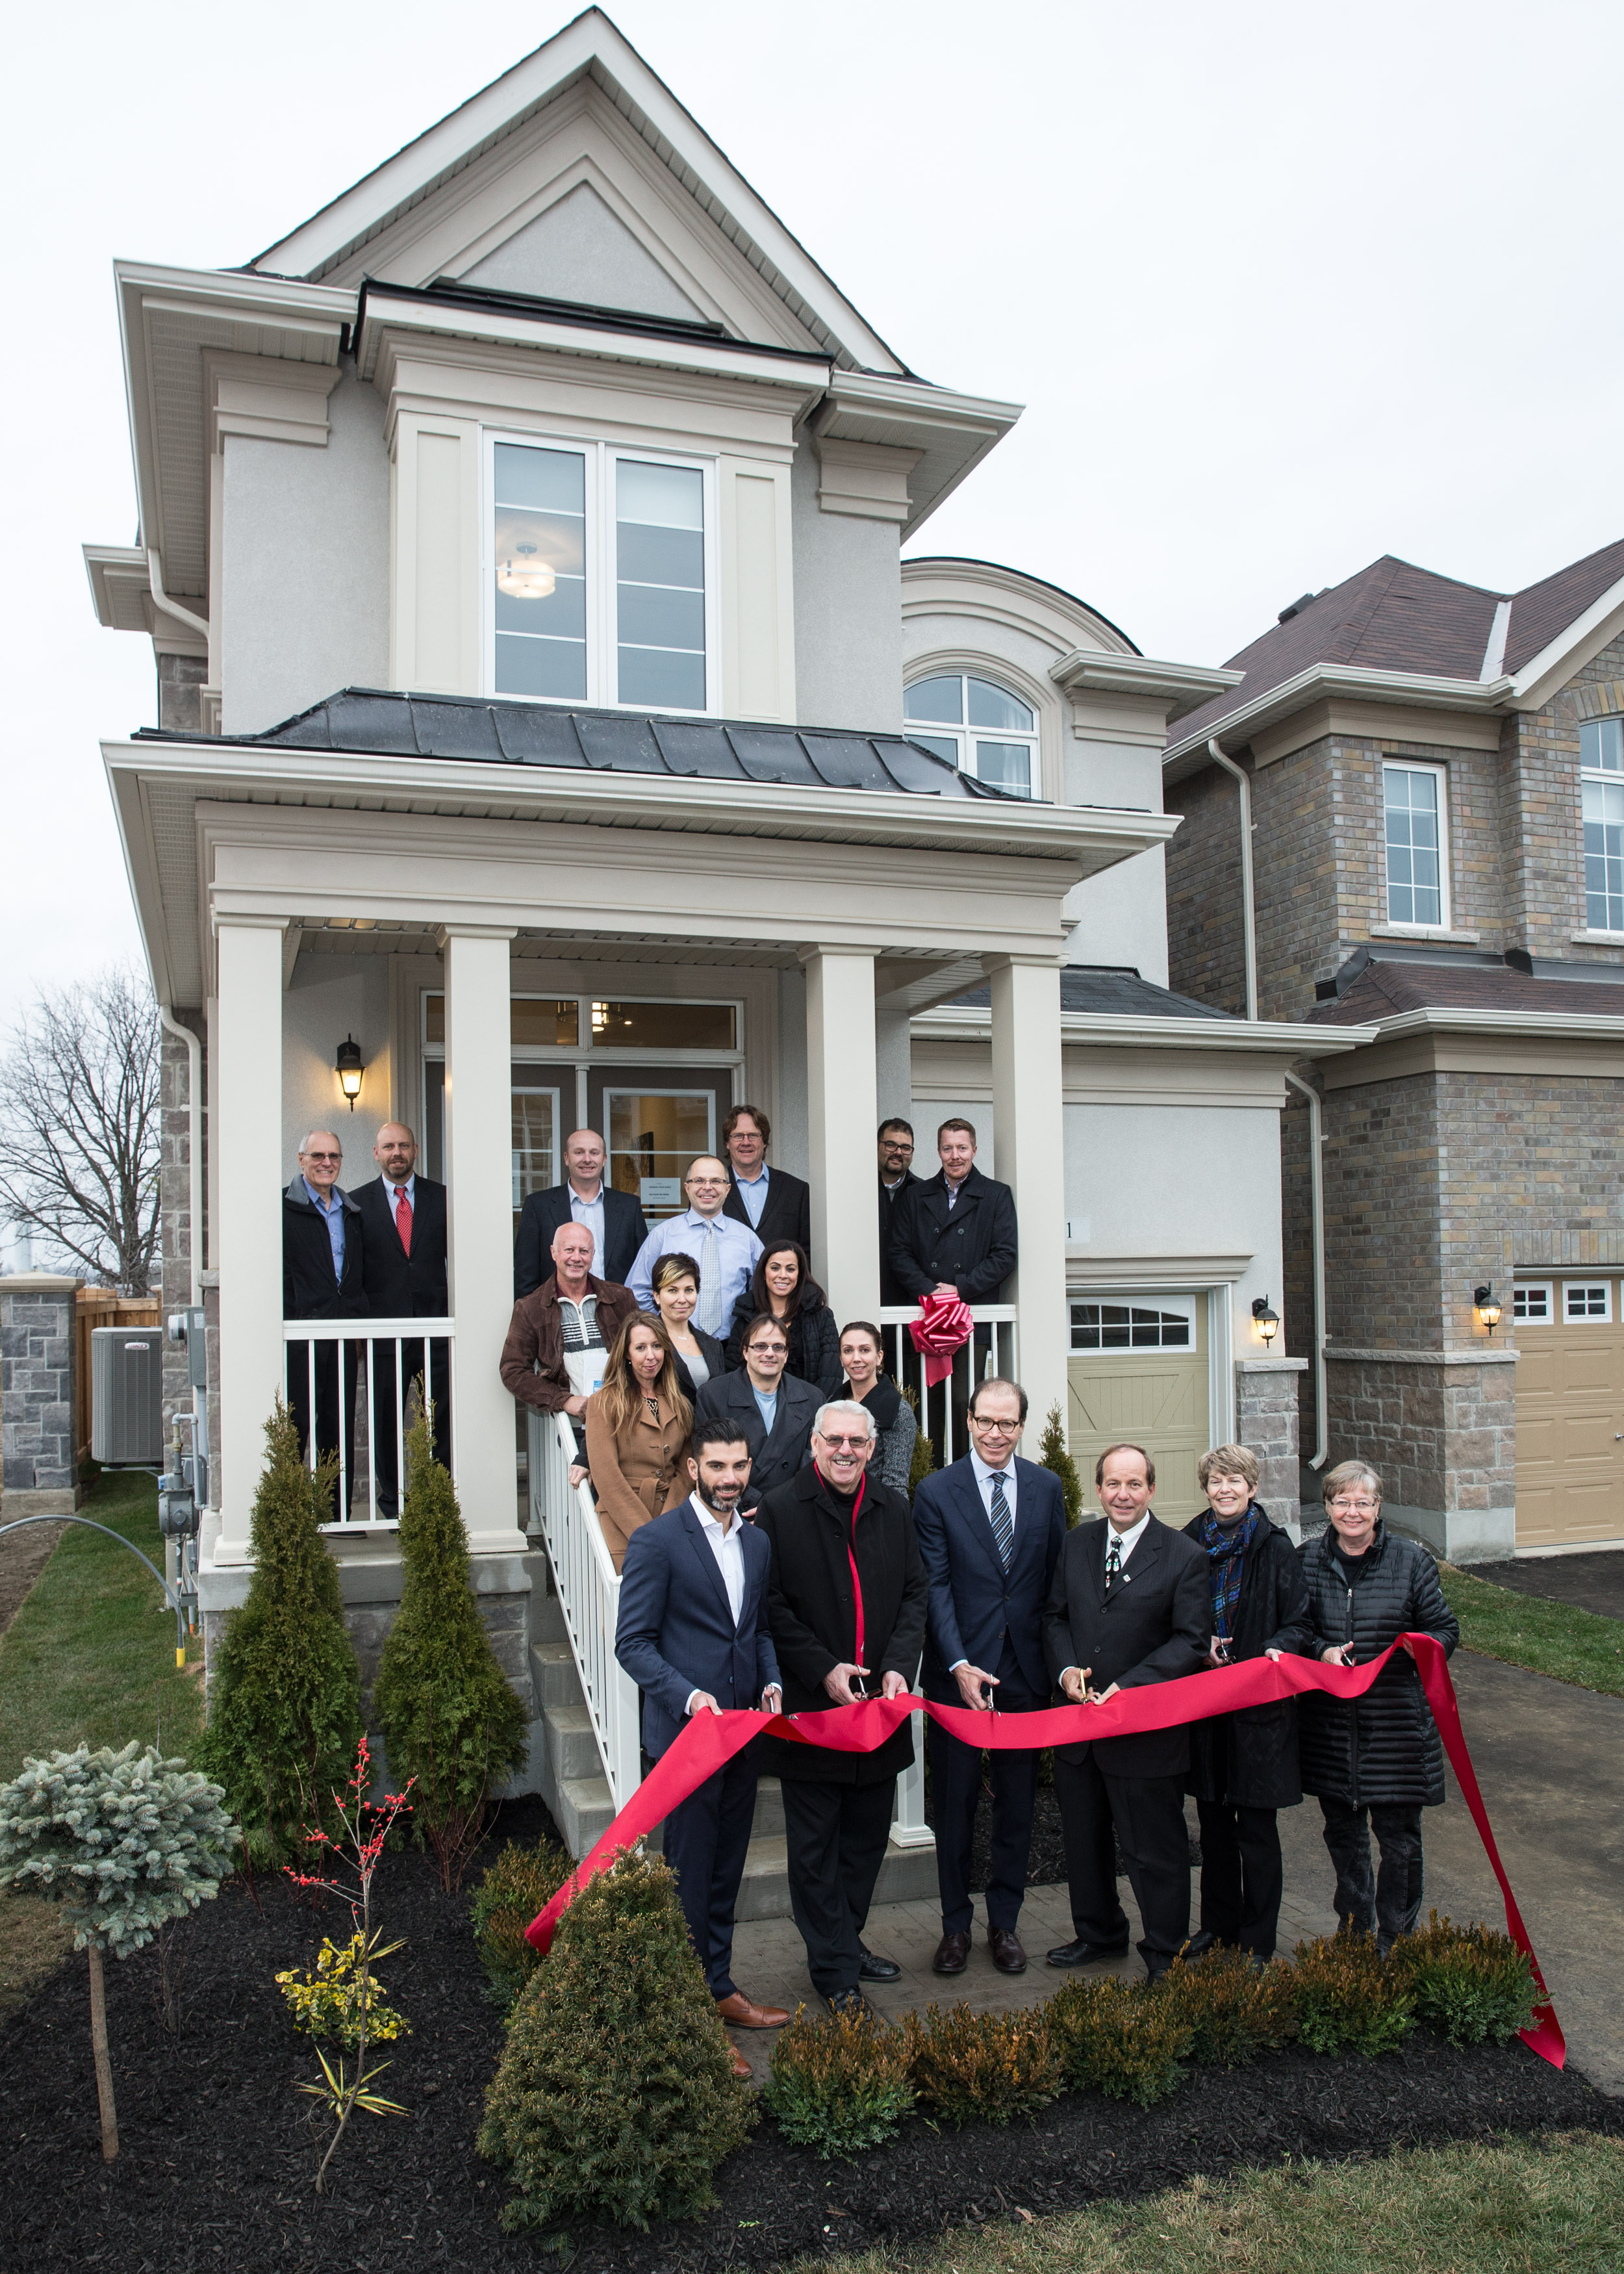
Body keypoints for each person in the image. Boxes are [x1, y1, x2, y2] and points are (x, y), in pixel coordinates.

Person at [616, 1420, 788, 2077]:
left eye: (738, 1465)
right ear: (693, 1468)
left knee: (725, 1873)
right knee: (686, 1879)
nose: (729, 1478)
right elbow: (632, 1643)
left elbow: (757, 1628)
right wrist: (688, 1697)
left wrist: (769, 1676)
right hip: (687, 1742)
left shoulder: (758, 1541)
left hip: (742, 1738)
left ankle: (720, 1988)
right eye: (716, 1465)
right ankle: (689, 2015)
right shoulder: (657, 1541)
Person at [755, 1399, 928, 2013]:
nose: (846, 1451)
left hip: (878, 1714)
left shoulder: (893, 1509)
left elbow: (914, 1595)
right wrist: (823, 1669)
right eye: (835, 1441)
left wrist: (898, 1668)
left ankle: (846, 1943)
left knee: (865, 1843)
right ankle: (832, 1970)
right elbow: (770, 1607)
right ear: (815, 1444)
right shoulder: (779, 1509)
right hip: (813, 1715)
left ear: (873, 1448)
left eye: (857, 1441)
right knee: (814, 1850)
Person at [912, 1377, 1066, 1978]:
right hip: (959, 1678)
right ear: (970, 1421)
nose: (996, 1433)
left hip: (1025, 1676)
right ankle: (954, 1927)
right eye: (986, 1421)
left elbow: (1052, 1583)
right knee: (955, 1807)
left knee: (1018, 1807)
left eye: (1008, 1423)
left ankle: (1005, 1923)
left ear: (1022, 1425)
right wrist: (956, 1663)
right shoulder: (936, 1492)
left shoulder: (1046, 1487)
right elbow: (935, 1587)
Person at [1043, 1441, 1210, 1982]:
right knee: (1084, 1841)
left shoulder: (1183, 1555)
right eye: (1113, 1483)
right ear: (1098, 1489)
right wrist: (1067, 1671)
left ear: (1152, 1489)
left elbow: (1190, 1641)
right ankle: (1098, 1933)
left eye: (1134, 1484)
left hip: (1144, 1734)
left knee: (1153, 1852)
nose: (1123, 1494)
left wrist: (1127, 1687)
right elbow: (1056, 1618)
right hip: (1078, 1730)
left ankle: (1165, 1953)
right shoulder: (1077, 1544)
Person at [1299, 1459, 1460, 1953]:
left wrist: (1418, 1646)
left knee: (1400, 1844)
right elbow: (1294, 1632)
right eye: (1342, 1501)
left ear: (1378, 1508)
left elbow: (1445, 1631)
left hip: (1396, 1730)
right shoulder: (1304, 1561)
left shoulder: (1412, 1561)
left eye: (1362, 1502)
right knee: (1344, 1839)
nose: (1352, 1512)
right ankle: (1355, 1934)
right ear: (1327, 1507)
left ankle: (1397, 1939)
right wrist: (1321, 1651)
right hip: (1331, 1730)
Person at [1181, 1444, 1312, 1963]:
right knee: (1212, 1830)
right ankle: (1219, 1927)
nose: (1225, 1490)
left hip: (1260, 1714)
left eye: (1236, 1481)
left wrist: (1280, 1648)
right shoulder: (1189, 1543)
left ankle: (1259, 1941)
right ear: (1206, 1488)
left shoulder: (1276, 1549)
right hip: (1207, 1708)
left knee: (1256, 1832)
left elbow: (1299, 1620)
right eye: (1216, 1481)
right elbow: (1176, 1616)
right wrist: (1199, 1642)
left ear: (1253, 1488)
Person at [886, 1118, 1017, 1455]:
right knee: (925, 1401)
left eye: (962, 1148)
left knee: (964, 1402)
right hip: (926, 1317)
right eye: (948, 1148)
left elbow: (1005, 1256)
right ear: (939, 1151)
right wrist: (930, 1291)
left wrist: (959, 1289)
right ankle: (924, 1479)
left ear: (974, 1150)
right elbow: (898, 1252)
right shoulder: (915, 1196)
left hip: (967, 1319)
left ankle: (964, 1474)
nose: (955, 1155)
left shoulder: (996, 1195)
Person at [351, 1121, 448, 1514]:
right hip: (383, 1332)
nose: (397, 1153)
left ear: (416, 1150)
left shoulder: (442, 1198)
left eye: (404, 1146)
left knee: (440, 1418)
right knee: (386, 1422)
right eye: (389, 1146)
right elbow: (353, 1272)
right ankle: (391, 1501)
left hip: (436, 1330)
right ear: (376, 1153)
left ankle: (437, 1497)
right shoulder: (356, 1204)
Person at [500, 1223, 641, 1482]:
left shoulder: (621, 1299)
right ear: (554, 1252)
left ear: (593, 1255)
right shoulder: (531, 1308)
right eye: (569, 1250)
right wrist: (563, 1400)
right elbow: (513, 1371)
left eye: (584, 1251)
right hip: (576, 1426)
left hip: (626, 1420)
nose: (577, 1257)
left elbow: (640, 1353)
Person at [283, 1129, 366, 1512]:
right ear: (301, 1160)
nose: (326, 1163)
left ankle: (336, 1515)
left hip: (343, 1332)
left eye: (333, 1156)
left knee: (338, 1424)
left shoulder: (351, 1212)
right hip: (300, 1335)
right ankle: (289, 1515)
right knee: (294, 1426)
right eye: (318, 1156)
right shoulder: (285, 1209)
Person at [581, 1314, 692, 1572]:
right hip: (623, 1525)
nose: (650, 1356)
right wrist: (650, 1535)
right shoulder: (603, 1402)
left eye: (656, 1346)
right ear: (627, 1354)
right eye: (641, 1348)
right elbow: (607, 1478)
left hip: (672, 1519)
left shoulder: (680, 1402)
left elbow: (687, 1469)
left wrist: (669, 1522)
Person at [694, 1313, 822, 1510]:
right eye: (760, 1346)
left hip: (792, 1511)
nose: (770, 1354)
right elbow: (710, 1463)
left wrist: (778, 1510)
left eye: (778, 1347)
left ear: (786, 1354)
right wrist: (757, 1505)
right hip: (733, 1509)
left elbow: (813, 1465)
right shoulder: (713, 1396)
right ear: (745, 1351)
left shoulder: (813, 1399)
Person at [628, 1155, 763, 1331]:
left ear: (728, 1189)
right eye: (699, 1180)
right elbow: (636, 1290)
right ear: (687, 1187)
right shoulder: (663, 1235)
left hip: (732, 1347)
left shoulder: (748, 1239)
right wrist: (662, 1328)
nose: (707, 1187)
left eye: (716, 1181)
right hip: (674, 1344)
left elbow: (764, 1292)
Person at [513, 1127, 649, 1297]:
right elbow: (525, 1275)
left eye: (594, 1153)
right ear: (566, 1158)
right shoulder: (538, 1206)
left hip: (619, 1314)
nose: (587, 1159)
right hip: (557, 1314)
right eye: (579, 1152)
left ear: (604, 1159)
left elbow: (644, 1268)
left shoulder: (629, 1206)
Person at [723, 1240, 841, 1396]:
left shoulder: (820, 1315)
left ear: (800, 1274)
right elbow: (733, 1369)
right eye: (775, 1268)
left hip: (810, 1410)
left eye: (791, 1269)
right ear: (764, 1273)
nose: (783, 1275)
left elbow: (831, 1375)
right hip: (754, 1410)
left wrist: (812, 1410)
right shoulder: (746, 1314)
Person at [836, 1320, 916, 1496]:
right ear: (841, 1358)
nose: (856, 1358)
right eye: (848, 1351)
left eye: (865, 1350)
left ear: (879, 1357)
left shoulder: (898, 1412)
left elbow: (896, 1483)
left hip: (872, 1508)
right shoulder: (832, 1405)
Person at [720, 1103, 811, 1251]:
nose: (746, 1142)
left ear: (764, 1142)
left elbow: (807, 1251)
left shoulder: (796, 1190)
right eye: (738, 1136)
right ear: (727, 1143)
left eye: (753, 1135)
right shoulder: (711, 1190)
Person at [648, 1251, 728, 1403]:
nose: (682, 1299)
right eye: (673, 1290)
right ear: (657, 1296)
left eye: (689, 1290)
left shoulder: (713, 1346)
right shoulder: (646, 1342)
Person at [876, 1118, 919, 1310]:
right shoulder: (858, 1190)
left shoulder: (923, 1194)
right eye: (891, 1145)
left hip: (910, 1302)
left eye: (905, 1147)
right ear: (877, 1146)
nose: (898, 1152)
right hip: (865, 1293)